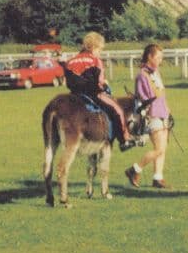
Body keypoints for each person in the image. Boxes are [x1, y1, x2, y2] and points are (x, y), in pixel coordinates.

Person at [64, 31, 137, 151]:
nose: (100, 53)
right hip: (93, 94)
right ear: (93, 47)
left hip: (75, 95)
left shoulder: (71, 61)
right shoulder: (95, 61)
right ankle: (124, 140)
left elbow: (69, 82)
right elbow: (99, 82)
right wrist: (105, 85)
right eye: (100, 49)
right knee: (118, 109)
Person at [125, 44, 172, 188]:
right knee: (158, 148)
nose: (160, 60)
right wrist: (151, 113)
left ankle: (157, 178)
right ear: (149, 57)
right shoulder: (142, 75)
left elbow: (161, 94)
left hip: (163, 113)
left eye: (161, 58)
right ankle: (134, 169)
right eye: (158, 57)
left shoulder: (156, 73)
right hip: (152, 115)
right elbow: (144, 98)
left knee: (162, 148)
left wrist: (168, 111)